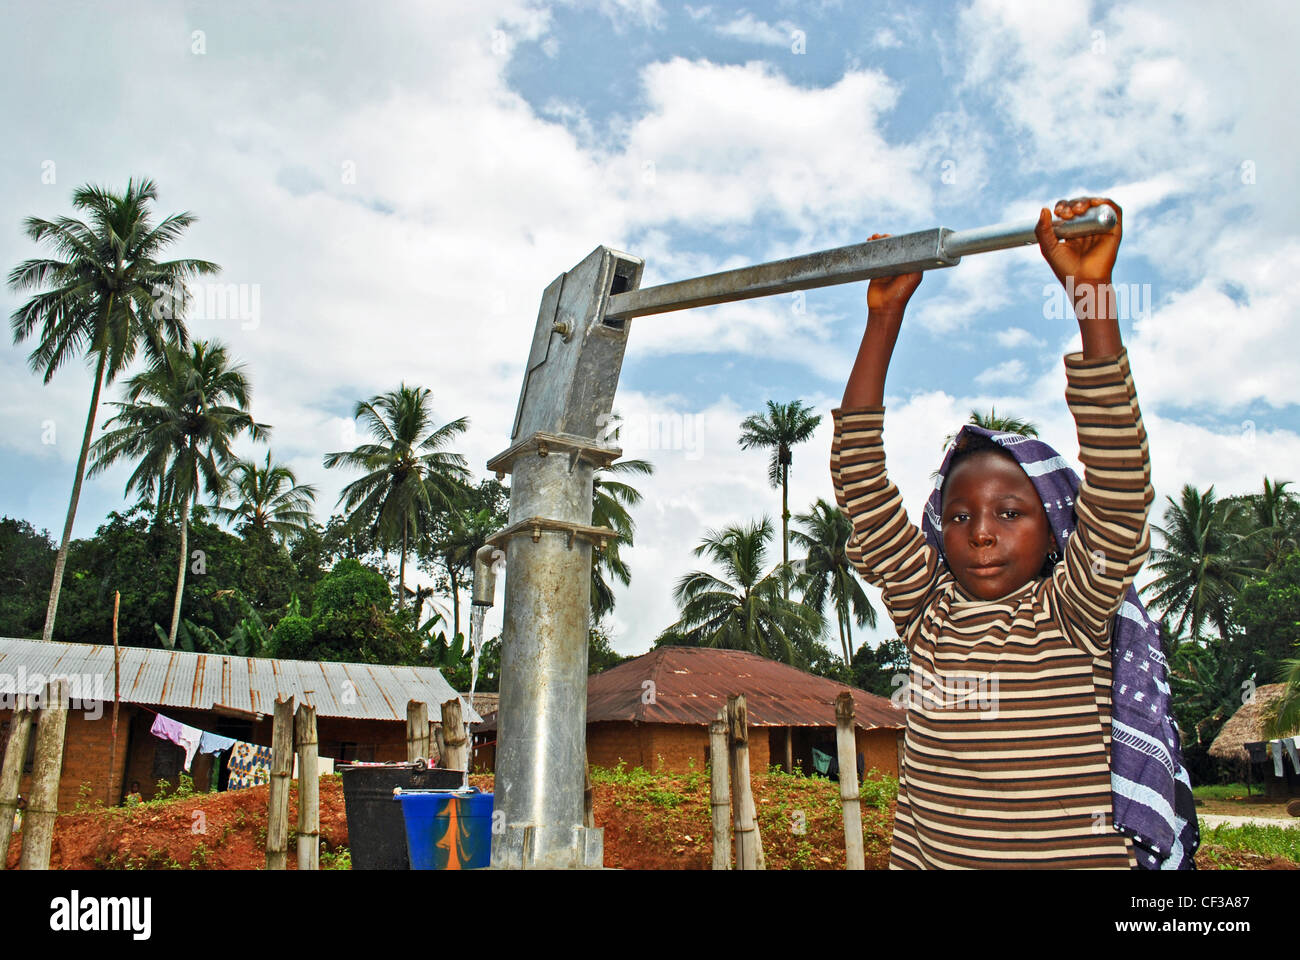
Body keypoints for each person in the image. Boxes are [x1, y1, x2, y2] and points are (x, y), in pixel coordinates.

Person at [832, 197, 1192, 868]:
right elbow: (860, 482)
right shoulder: (927, 609)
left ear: (1053, 525)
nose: (981, 534)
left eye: (1009, 512)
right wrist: (883, 317)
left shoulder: (1075, 611)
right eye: (960, 516)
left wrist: (1091, 300)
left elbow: (1118, 490)